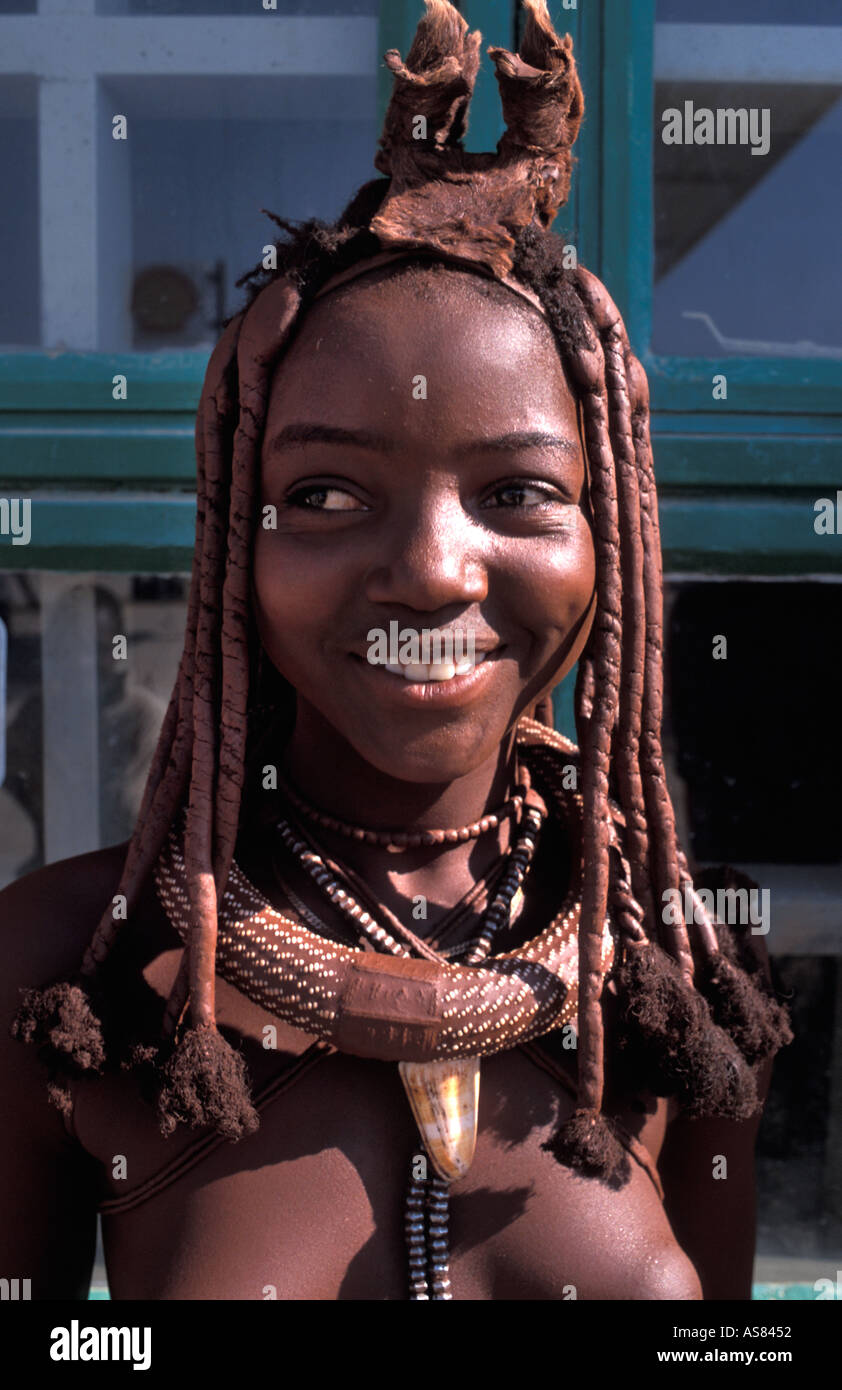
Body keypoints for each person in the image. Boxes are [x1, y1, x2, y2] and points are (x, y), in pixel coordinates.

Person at [0, 0, 790, 1301]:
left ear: (612, 544)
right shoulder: (72, 971)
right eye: (323, 493)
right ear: (232, 542)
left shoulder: (670, 977)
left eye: (514, 493)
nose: (430, 565)